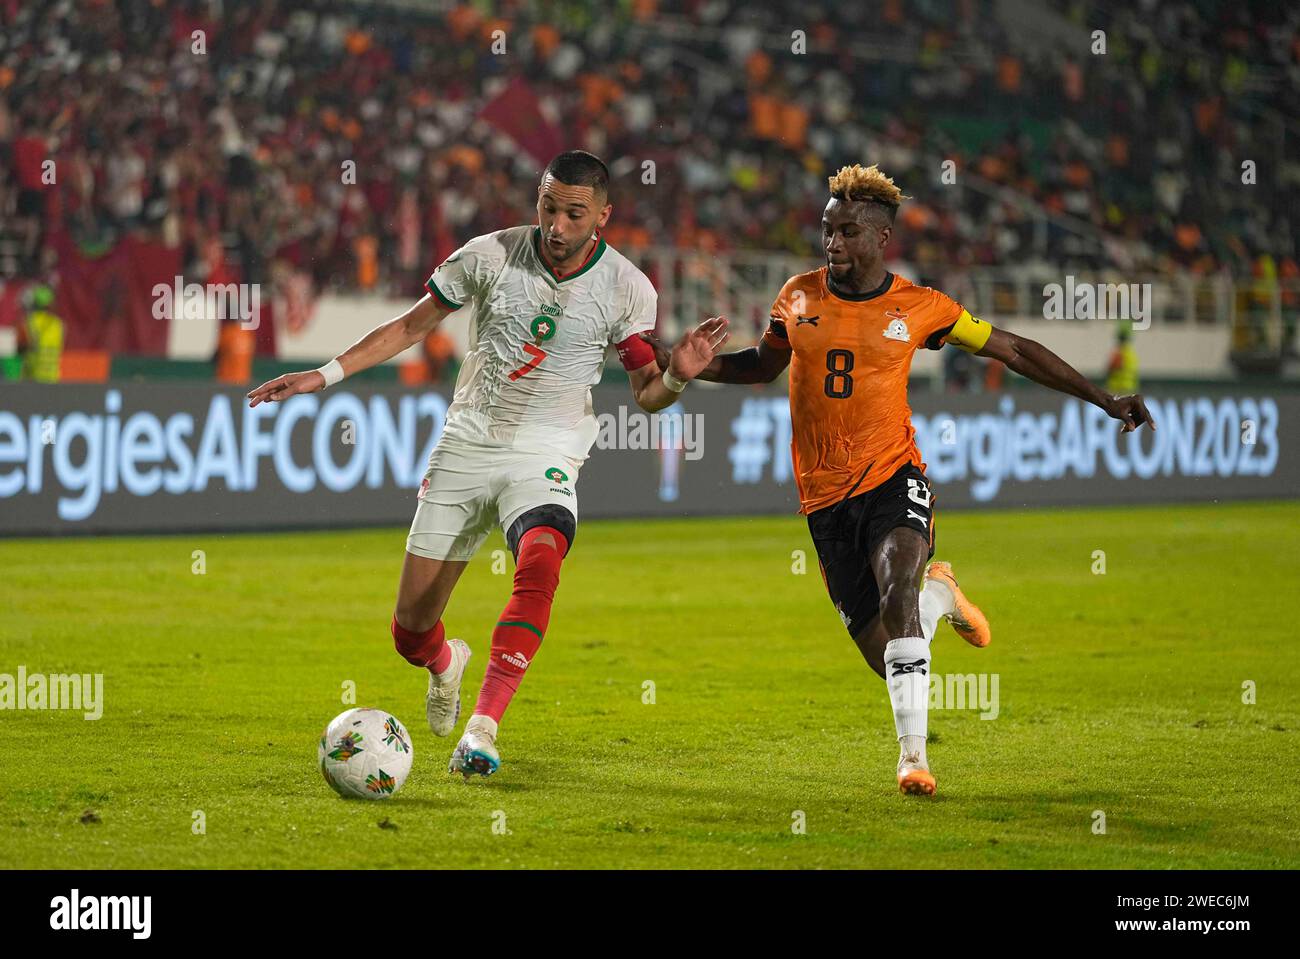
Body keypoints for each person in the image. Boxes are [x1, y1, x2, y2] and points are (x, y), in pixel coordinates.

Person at [648, 164, 1155, 796]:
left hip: (893, 476)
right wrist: (698, 368)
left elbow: (1014, 350)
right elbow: (761, 366)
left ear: (882, 237)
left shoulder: (921, 308)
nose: (832, 244)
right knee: (884, 651)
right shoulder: (796, 296)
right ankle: (943, 596)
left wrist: (1102, 398)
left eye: (848, 233)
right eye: (827, 231)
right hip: (823, 498)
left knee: (896, 592)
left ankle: (912, 759)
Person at [247, 151, 728, 779]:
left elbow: (646, 394)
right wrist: (325, 374)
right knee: (410, 631)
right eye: (548, 207)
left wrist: (675, 378)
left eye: (574, 213)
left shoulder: (628, 288)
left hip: (547, 450)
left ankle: (482, 730)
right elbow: (412, 326)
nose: (557, 225)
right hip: (467, 443)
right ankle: (445, 662)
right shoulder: (489, 254)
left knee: (540, 561)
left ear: (603, 216)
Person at [18, 285, 63, 383]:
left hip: (31, 376)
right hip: (52, 376)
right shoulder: (58, 324)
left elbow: (20, 348)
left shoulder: (27, 322)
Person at [1106, 323, 1139, 395]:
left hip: (1118, 389)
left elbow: (1112, 367)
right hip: (1130, 388)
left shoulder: (1119, 353)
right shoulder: (1132, 354)